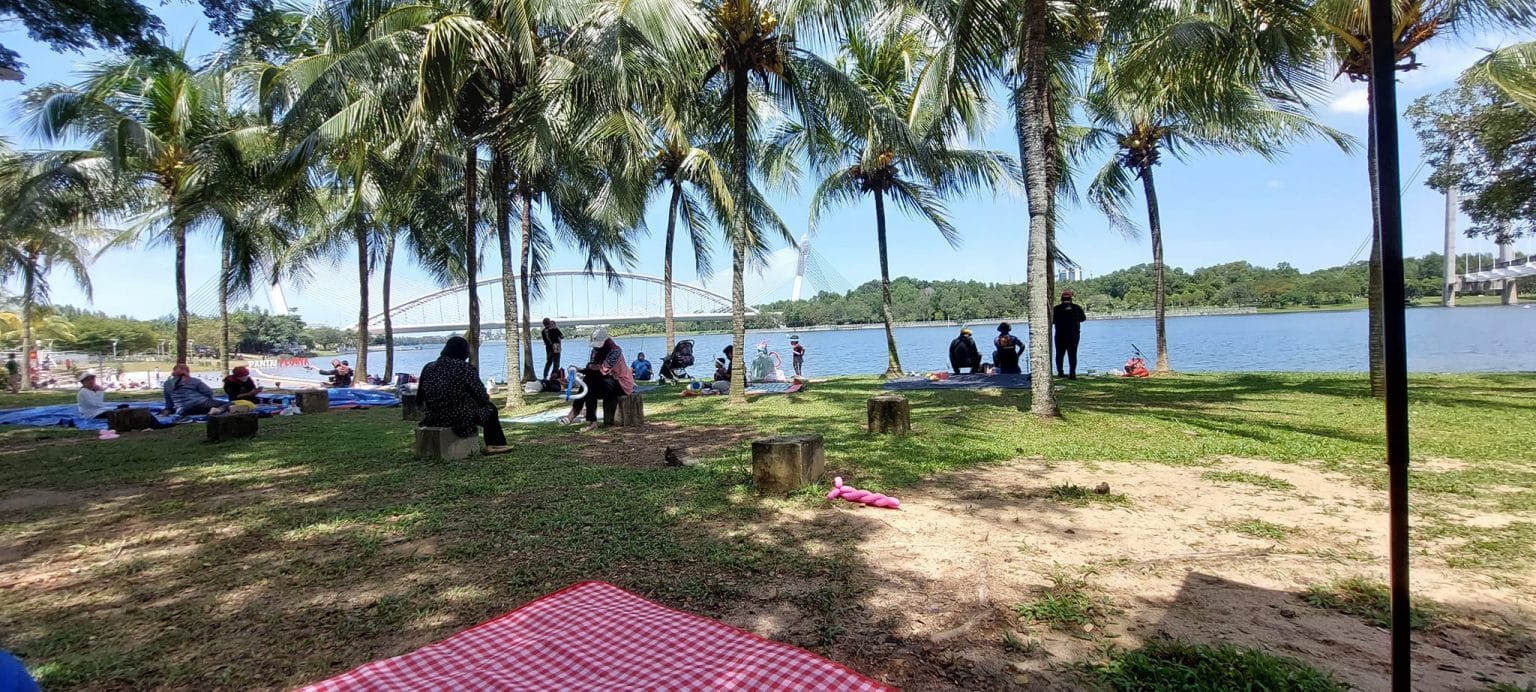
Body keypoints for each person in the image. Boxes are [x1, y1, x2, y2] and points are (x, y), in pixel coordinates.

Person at [417, 336, 512, 455]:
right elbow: (482, 396)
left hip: (432, 417)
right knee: (490, 409)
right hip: (459, 418)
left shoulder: (428, 368)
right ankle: (496, 444)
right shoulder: (464, 368)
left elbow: (419, 398)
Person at [559, 328, 635, 432]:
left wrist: (583, 369)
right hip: (605, 381)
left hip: (620, 384)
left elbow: (602, 370)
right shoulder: (595, 351)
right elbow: (593, 367)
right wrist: (581, 369)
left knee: (589, 380)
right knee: (589, 387)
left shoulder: (615, 351)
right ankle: (592, 421)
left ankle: (574, 413)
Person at [1053, 290, 1088, 379]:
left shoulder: (1056, 309)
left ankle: (1060, 372)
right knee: (1072, 354)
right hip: (1074, 335)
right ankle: (1072, 374)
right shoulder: (1077, 308)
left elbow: (1052, 321)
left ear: (1061, 299)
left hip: (1060, 335)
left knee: (1059, 354)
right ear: (1071, 298)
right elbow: (1083, 318)